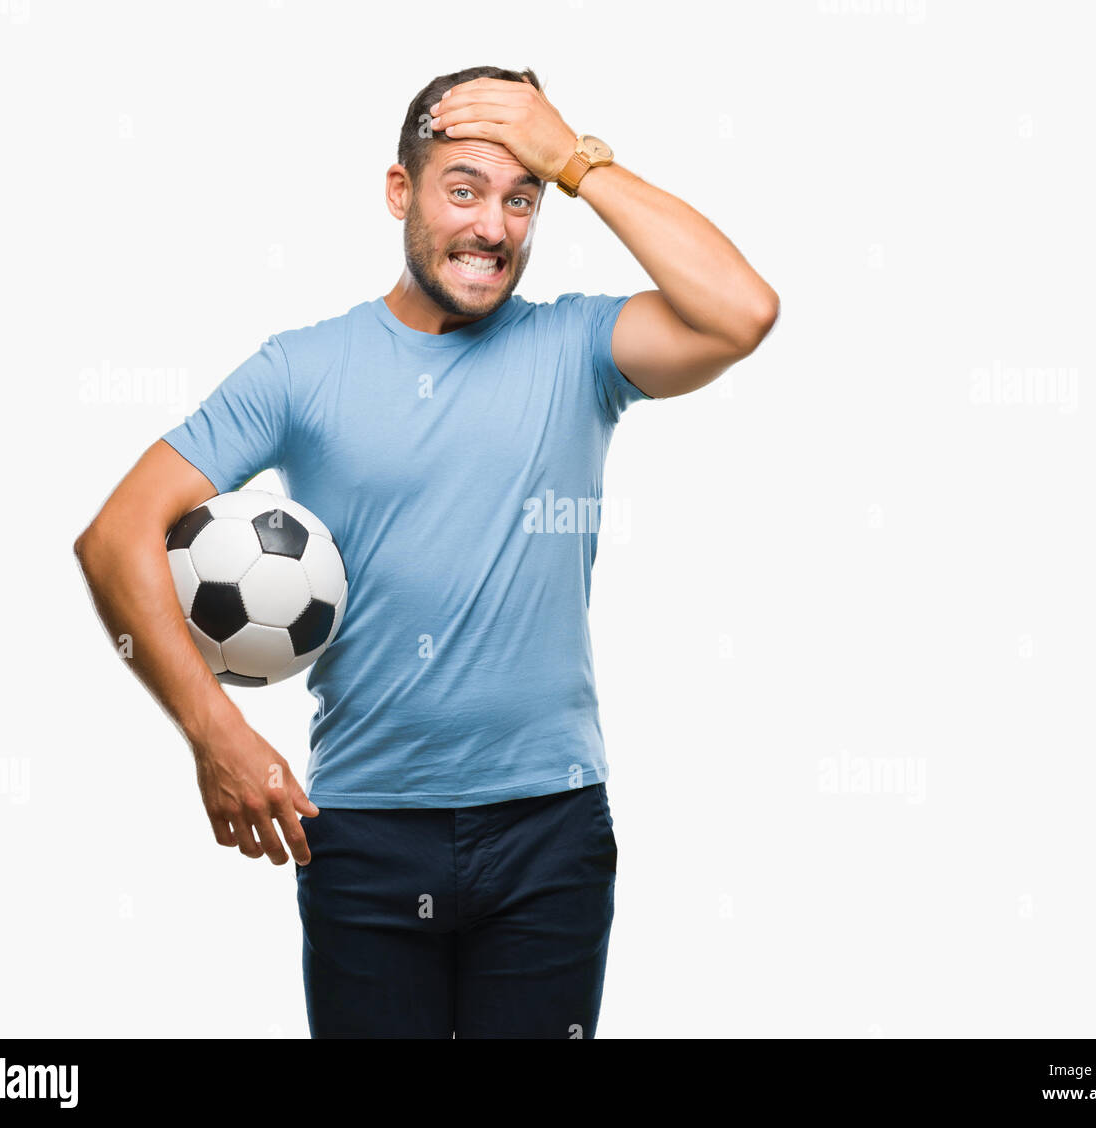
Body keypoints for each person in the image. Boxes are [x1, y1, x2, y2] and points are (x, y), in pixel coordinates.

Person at [73, 64, 779, 1038]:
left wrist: (576, 159)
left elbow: (741, 312)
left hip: (550, 829)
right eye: (462, 190)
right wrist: (215, 733)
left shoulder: (581, 345)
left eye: (520, 196)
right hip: (364, 832)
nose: (493, 226)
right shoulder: (303, 368)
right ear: (399, 192)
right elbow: (116, 536)